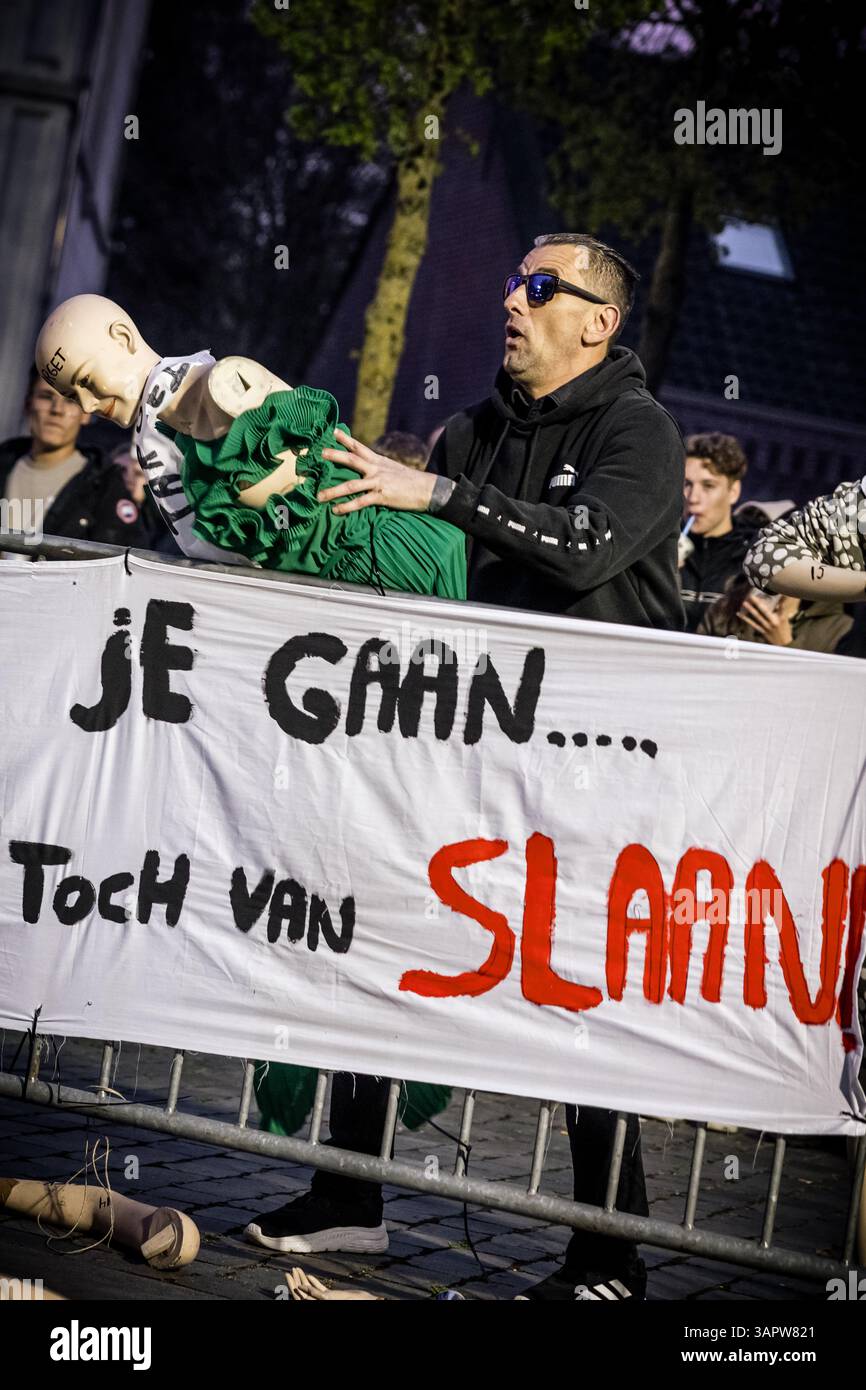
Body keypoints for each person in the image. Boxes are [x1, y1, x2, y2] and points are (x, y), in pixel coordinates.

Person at [246, 233, 686, 1303]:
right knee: (381, 931)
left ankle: (607, 1253)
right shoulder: (469, 427)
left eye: (540, 288)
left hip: (595, 769)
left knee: (574, 990)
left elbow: (582, 546)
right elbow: (412, 573)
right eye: (509, 280)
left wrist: (436, 495)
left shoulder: (641, 430)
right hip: (457, 745)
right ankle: (348, 1193)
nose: (510, 299)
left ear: (596, 320)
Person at [0, 366, 147, 557]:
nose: (57, 410)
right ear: (28, 404)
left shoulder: (104, 484)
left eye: (70, 400)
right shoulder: (4, 463)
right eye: (46, 396)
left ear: (86, 413)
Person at [679, 432, 760, 632]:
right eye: (687, 484)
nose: (693, 498)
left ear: (733, 492)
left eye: (708, 486)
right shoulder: (658, 546)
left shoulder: (753, 559)